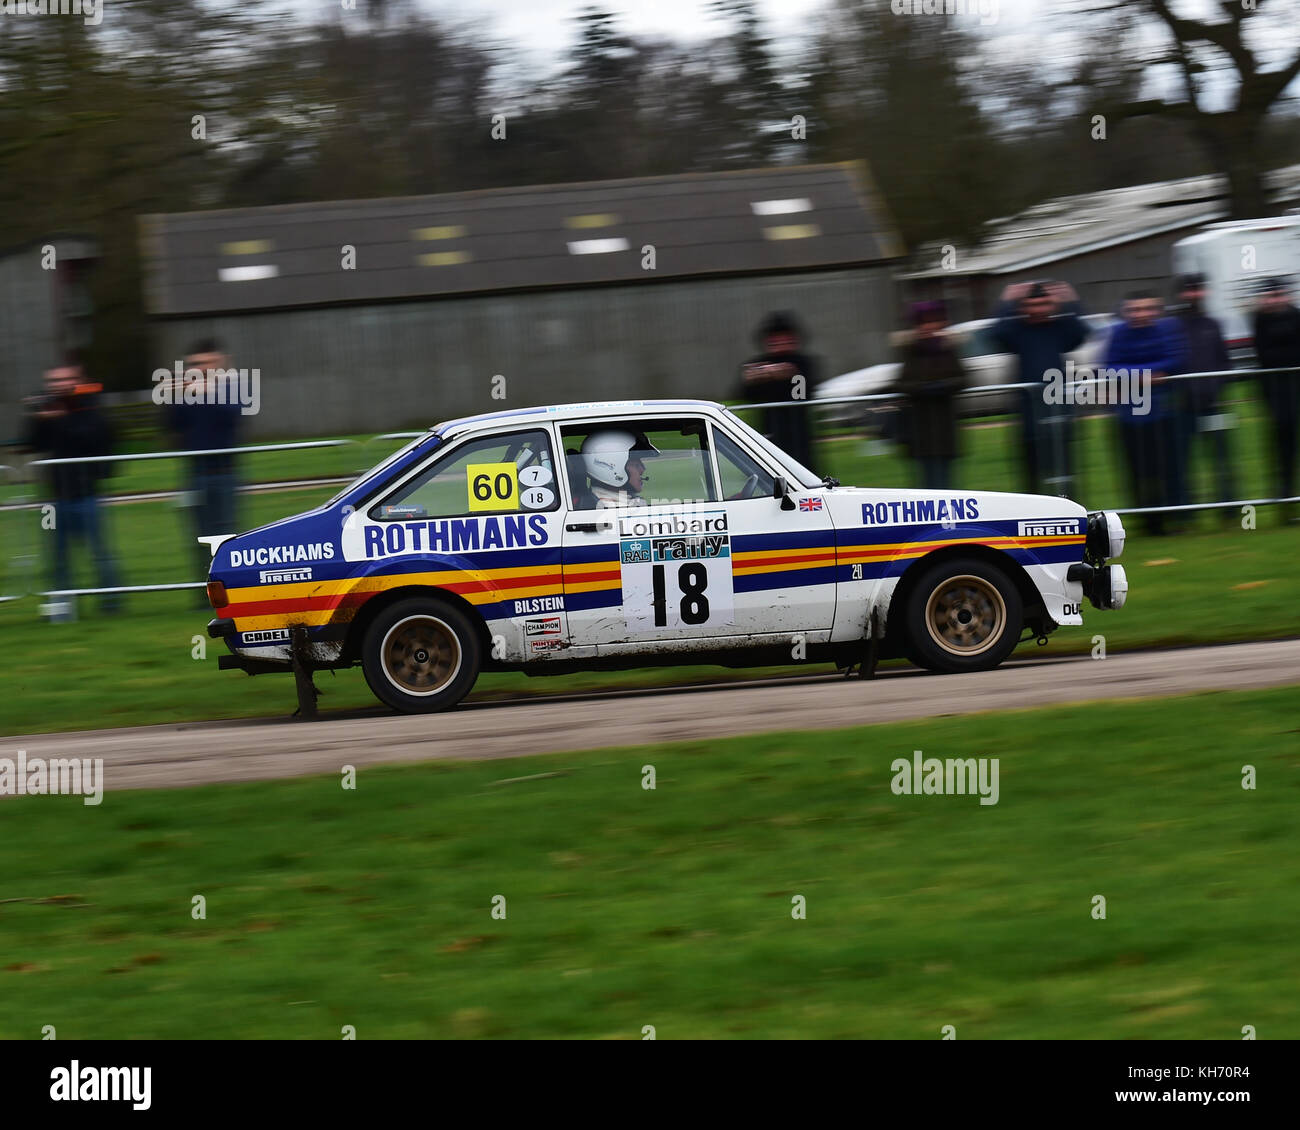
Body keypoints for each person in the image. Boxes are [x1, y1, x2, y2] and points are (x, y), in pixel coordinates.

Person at [20, 364, 122, 620]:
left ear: (79, 380)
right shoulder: (49, 409)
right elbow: (32, 444)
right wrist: (36, 418)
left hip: (86, 493)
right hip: (54, 498)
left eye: (65, 379)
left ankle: (112, 604)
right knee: (58, 557)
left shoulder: (89, 407)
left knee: (100, 554)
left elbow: (89, 438)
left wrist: (60, 419)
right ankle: (62, 609)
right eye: (53, 380)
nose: (59, 385)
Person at [988, 281, 1089, 496]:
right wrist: (1006, 302)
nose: (1039, 310)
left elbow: (1081, 332)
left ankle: (1068, 512)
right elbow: (995, 335)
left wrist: (1070, 301)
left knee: (1064, 468)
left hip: (1059, 409)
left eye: (1045, 304)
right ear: (1023, 308)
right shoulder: (1017, 332)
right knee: (1032, 474)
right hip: (1030, 413)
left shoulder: (1060, 329)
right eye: (1032, 305)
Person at [163, 339, 244, 588]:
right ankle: (204, 593)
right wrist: (175, 395)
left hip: (224, 473)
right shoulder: (186, 394)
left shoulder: (233, 388)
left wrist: (209, 393)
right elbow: (171, 426)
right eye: (197, 364)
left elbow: (233, 417)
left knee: (227, 536)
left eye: (209, 363)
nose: (203, 369)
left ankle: (230, 590)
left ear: (222, 363)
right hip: (196, 474)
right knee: (198, 539)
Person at [1103, 292, 1185, 536]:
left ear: (1156, 310)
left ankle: (1170, 519)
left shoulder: (1167, 329)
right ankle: (1147, 522)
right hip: (1129, 416)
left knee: (1166, 468)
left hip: (1163, 414)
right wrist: (1144, 376)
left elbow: (1175, 359)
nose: (1140, 314)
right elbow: (1109, 366)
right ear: (1126, 312)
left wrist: (1135, 376)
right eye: (1135, 310)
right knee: (1138, 470)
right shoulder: (1118, 333)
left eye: (1146, 309)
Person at [1170, 273, 1235, 522]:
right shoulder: (1174, 326)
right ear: (1181, 294)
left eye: (1198, 290)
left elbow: (1224, 362)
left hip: (1213, 405)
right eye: (1189, 290)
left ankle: (1229, 510)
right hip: (1183, 407)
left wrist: (1216, 387)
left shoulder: (1213, 324)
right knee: (1183, 463)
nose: (1194, 294)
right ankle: (1185, 514)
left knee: (1221, 459)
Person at [888, 301, 969, 490]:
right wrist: (921, 388)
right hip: (919, 428)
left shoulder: (949, 349)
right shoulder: (910, 351)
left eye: (933, 322)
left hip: (944, 426)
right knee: (926, 485)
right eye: (923, 323)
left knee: (946, 482)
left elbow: (963, 379)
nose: (928, 327)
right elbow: (901, 382)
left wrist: (943, 386)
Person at [735, 311, 821, 472]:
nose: (780, 343)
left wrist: (788, 374)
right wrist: (762, 377)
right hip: (770, 431)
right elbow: (745, 395)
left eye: (785, 338)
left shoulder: (802, 363)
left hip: (798, 432)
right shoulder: (757, 364)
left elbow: (802, 394)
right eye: (775, 339)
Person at [1252, 278, 1300, 523]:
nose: (1276, 300)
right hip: (1277, 395)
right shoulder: (1260, 320)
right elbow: (1265, 356)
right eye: (1271, 296)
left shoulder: (1295, 315)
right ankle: (1285, 502)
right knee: (1283, 449)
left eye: (1279, 295)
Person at [578, 428, 659, 509]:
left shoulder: (621, 504)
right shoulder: (614, 512)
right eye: (636, 465)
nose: (642, 469)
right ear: (611, 468)